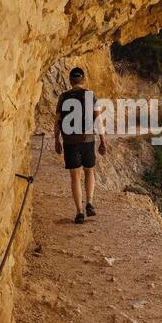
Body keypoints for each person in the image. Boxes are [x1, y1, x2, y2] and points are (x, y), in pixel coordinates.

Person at [54, 66, 106, 223]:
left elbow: (57, 121)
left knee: (75, 177)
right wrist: (103, 140)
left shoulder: (63, 97)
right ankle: (89, 202)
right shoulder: (90, 96)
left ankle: (79, 212)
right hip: (87, 140)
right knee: (89, 171)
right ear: (83, 80)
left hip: (70, 141)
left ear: (70, 81)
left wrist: (56, 140)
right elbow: (98, 119)